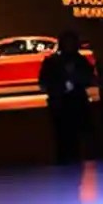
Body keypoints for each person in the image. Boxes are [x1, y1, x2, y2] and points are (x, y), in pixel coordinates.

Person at [38, 30, 96, 165]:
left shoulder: (81, 61)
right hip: (59, 106)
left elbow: (90, 78)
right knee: (62, 140)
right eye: (67, 42)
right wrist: (59, 88)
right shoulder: (51, 62)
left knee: (79, 140)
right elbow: (43, 83)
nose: (69, 45)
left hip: (78, 105)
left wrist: (77, 80)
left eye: (72, 42)